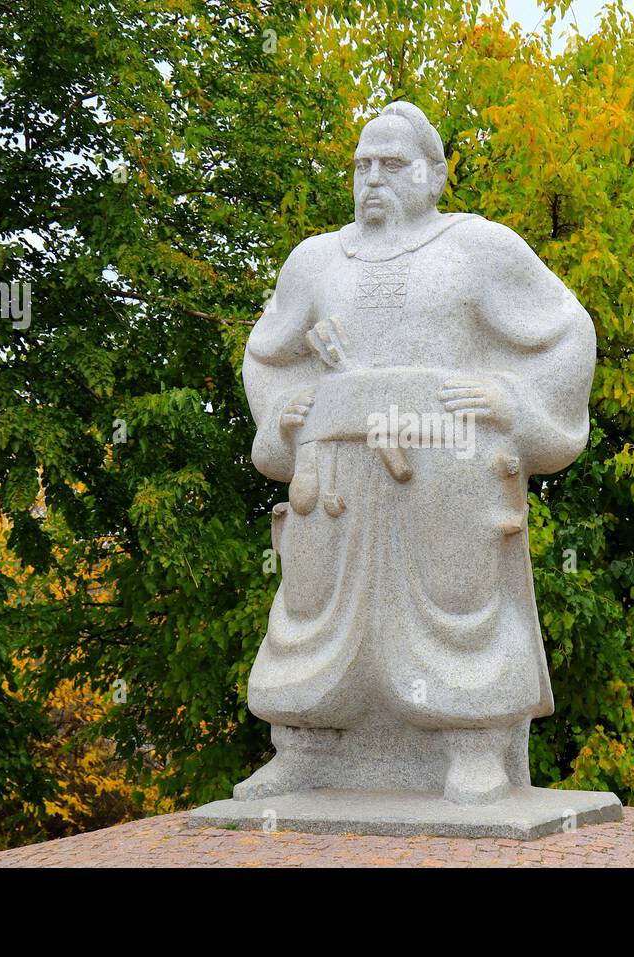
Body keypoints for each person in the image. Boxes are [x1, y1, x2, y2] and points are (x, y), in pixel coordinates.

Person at [237, 101, 595, 804]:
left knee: (456, 601)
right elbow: (267, 354)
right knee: (312, 607)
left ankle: (473, 744)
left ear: (433, 176)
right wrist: (283, 415)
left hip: (446, 465)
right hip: (336, 468)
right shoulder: (313, 262)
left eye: (392, 165)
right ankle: (307, 745)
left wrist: (512, 404)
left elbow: (567, 333)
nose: (373, 178)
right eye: (361, 165)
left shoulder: (479, 248)